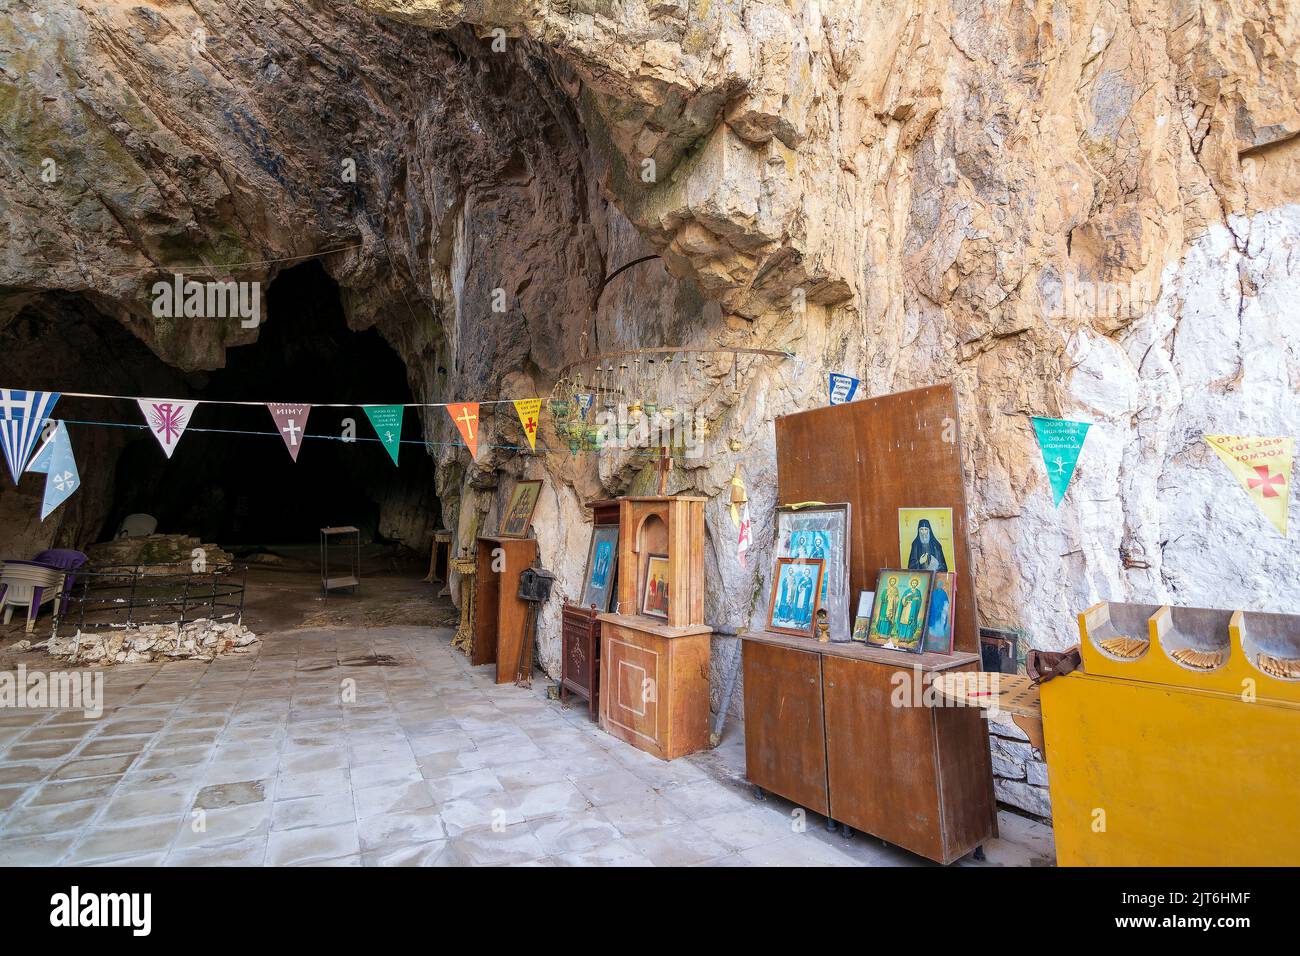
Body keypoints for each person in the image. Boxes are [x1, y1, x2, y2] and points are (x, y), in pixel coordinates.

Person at [895, 576, 925, 645]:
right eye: (913, 583)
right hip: (906, 609)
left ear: (917, 584)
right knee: (903, 622)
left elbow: (919, 601)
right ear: (911, 583)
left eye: (915, 583)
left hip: (913, 610)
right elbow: (902, 601)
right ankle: (901, 637)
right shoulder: (907, 591)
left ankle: (908, 638)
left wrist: (914, 601)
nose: (914, 584)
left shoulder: (918, 592)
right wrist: (906, 596)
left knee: (910, 623)